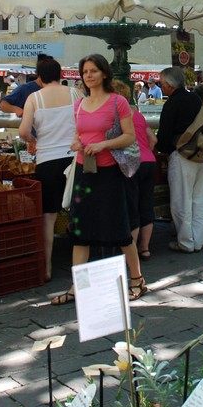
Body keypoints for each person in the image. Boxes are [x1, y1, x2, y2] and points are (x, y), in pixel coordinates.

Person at [52, 53, 146, 305]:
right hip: (85, 172)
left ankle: (137, 279)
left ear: (104, 73)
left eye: (93, 71)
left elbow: (129, 137)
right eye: (84, 72)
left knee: (120, 230)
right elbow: (79, 134)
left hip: (110, 174)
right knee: (79, 231)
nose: (88, 76)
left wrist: (103, 144)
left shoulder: (118, 102)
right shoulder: (79, 105)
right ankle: (77, 287)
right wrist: (77, 143)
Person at [17, 56, 82, 281]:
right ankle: (84, 263)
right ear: (61, 74)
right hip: (75, 160)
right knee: (80, 212)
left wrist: (33, 141)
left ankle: (47, 267)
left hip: (47, 160)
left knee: (49, 217)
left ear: (39, 77)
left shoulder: (34, 98)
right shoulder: (75, 93)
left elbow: (23, 131)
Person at [156, 65, 203, 253]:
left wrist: (160, 149)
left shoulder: (171, 104)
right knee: (199, 199)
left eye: (162, 84)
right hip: (202, 154)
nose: (161, 87)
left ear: (169, 85)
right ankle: (199, 240)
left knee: (182, 201)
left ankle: (186, 242)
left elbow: (164, 136)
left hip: (182, 156)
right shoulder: (194, 98)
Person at [112, 80, 157, 261]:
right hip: (149, 163)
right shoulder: (137, 114)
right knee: (146, 204)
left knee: (132, 206)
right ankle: (144, 248)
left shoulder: (116, 117)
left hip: (131, 164)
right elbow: (153, 140)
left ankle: (130, 251)